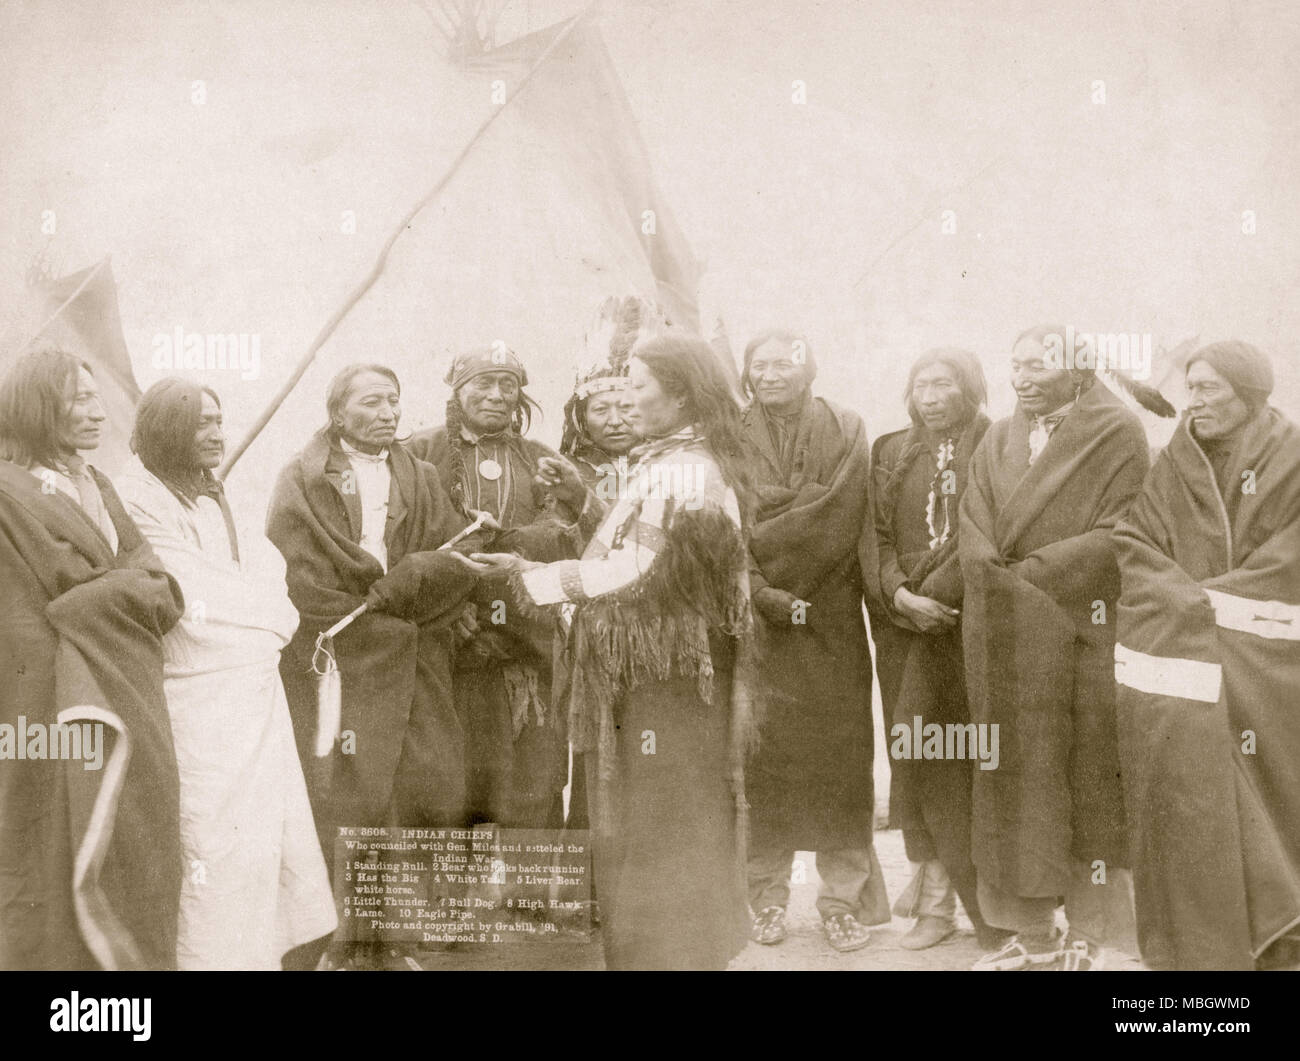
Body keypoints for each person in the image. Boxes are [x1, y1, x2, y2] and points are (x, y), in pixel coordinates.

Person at [459, 335, 753, 970]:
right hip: (660, 670)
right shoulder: (672, 457)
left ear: (679, 394)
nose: (630, 400)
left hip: (667, 676)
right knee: (658, 812)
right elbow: (637, 539)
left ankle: (669, 953)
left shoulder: (685, 466)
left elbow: (639, 570)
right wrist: (582, 515)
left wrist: (526, 576)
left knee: (660, 814)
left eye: (640, 387)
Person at [959, 324, 1163, 971]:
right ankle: (1032, 931)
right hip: (1005, 633)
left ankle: (1093, 929)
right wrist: (990, 571)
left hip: (1080, 627)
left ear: (1078, 370)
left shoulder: (1119, 431)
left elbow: (1125, 528)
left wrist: (1034, 574)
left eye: (1036, 366)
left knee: (1086, 777)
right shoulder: (999, 434)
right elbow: (975, 512)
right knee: (1014, 777)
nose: (1019, 378)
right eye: (1014, 365)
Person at [116, 378, 337, 970]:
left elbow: (272, 574)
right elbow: (189, 596)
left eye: (219, 420)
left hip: (254, 696)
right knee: (210, 843)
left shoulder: (212, 495)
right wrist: (267, 618)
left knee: (263, 842)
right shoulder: (134, 497)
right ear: (166, 429)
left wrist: (266, 616)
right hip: (195, 696)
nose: (216, 434)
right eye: (200, 423)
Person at [1114, 341, 1300, 970]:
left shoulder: (1294, 457)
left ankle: (1281, 938)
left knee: (1272, 799)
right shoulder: (1173, 464)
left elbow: (1289, 562)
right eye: (1191, 388)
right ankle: (1202, 956)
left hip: (1270, 669)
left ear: (1249, 395)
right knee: (1191, 804)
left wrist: (1210, 604)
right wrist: (1184, 605)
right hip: (1187, 666)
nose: (1195, 402)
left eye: (1210, 389)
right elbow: (1136, 540)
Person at [0, 349, 184, 970]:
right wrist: (117, 591)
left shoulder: (96, 482)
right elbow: (25, 620)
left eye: (94, 395)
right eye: (78, 398)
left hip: (126, 682)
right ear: (35, 407)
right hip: (52, 701)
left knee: (139, 837)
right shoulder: (7, 491)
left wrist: (97, 596)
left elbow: (153, 578)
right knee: (52, 840)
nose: (96, 411)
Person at [266, 364, 478, 865]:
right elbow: (295, 573)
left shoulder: (421, 477)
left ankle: (408, 928)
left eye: (393, 400)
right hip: (341, 653)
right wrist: (368, 615)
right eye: (371, 403)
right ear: (338, 414)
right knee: (347, 783)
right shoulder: (301, 478)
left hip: (415, 646)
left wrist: (419, 573)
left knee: (427, 774)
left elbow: (453, 559)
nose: (388, 412)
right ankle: (347, 933)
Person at [739, 330, 889, 954]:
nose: (771, 374)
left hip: (829, 614)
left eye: (784, 363)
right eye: (760, 364)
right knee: (762, 762)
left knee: (839, 760)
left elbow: (840, 512)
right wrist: (759, 591)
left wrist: (780, 550)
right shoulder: (728, 433)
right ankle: (766, 901)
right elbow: (725, 525)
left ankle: (840, 902)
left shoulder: (847, 427)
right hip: (754, 618)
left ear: (810, 370)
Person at [867, 347, 1005, 951]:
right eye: (920, 384)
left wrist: (938, 598)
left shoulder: (998, 443)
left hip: (969, 627)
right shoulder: (891, 449)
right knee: (917, 761)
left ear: (969, 388)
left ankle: (995, 907)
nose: (930, 395)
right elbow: (871, 534)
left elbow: (992, 529)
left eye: (943, 383)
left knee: (976, 764)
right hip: (903, 628)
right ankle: (933, 904)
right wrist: (898, 594)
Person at [407, 348, 575, 832]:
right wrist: (448, 606)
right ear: (458, 390)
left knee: (529, 773)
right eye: (483, 383)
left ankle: (525, 901)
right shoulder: (420, 451)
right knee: (448, 770)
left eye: (508, 384)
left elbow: (568, 539)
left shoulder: (543, 459)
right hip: (448, 638)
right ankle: (449, 898)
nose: (497, 395)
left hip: (524, 644)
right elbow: (402, 541)